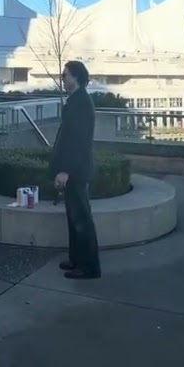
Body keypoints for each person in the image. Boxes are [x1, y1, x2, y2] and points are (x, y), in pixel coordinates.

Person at [52, 60, 101, 279]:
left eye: (65, 76)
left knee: (82, 219)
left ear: (76, 77)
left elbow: (78, 141)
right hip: (73, 169)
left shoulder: (81, 103)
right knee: (74, 218)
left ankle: (89, 267)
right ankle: (76, 260)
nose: (63, 79)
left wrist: (66, 170)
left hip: (77, 171)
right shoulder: (75, 100)